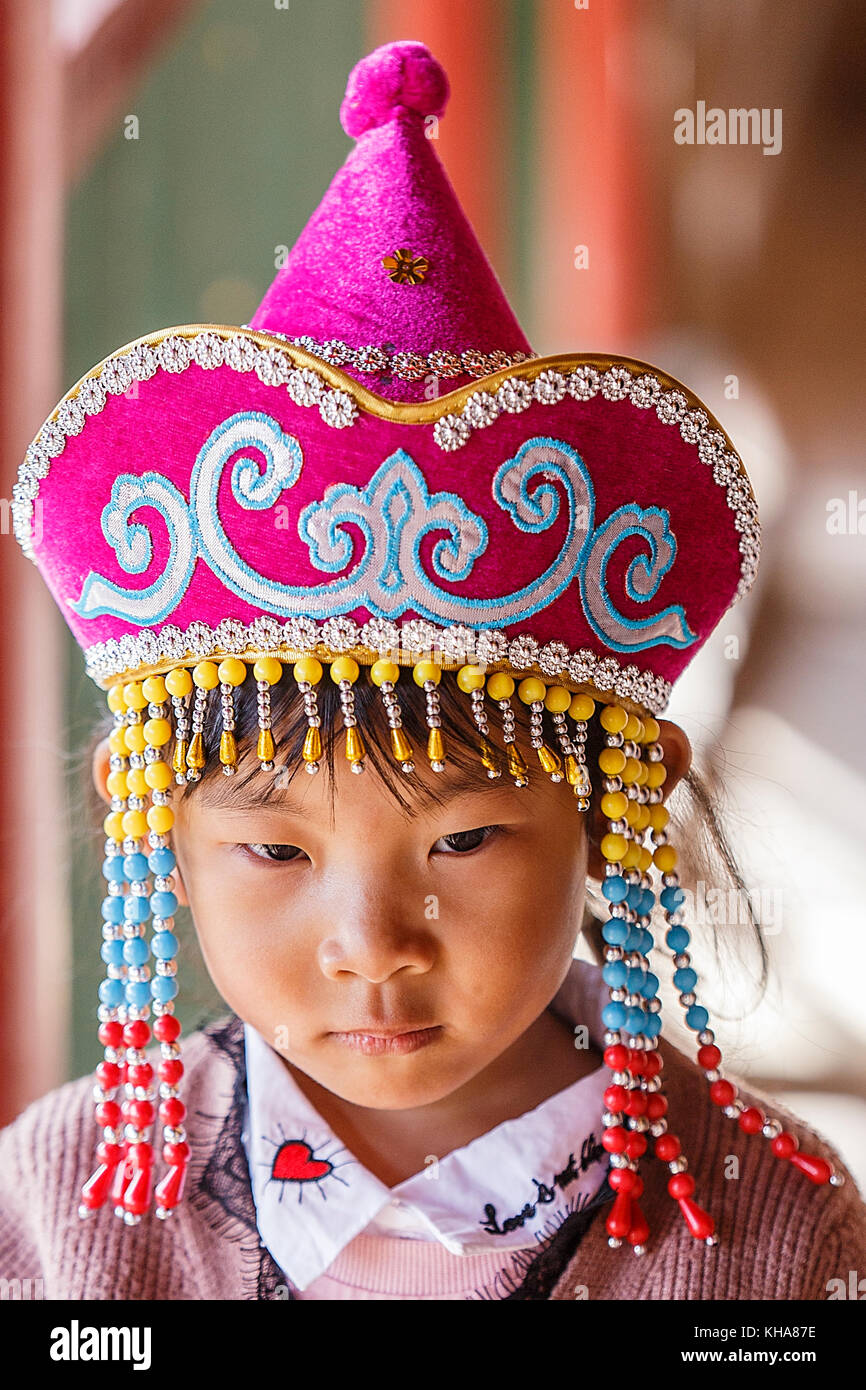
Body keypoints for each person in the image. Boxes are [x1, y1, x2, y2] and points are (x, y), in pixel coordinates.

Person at [3, 38, 864, 1302]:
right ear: (157, 823)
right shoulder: (62, 1208)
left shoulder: (765, 1238)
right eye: (276, 852)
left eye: (462, 841)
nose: (371, 946)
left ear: (617, 803)